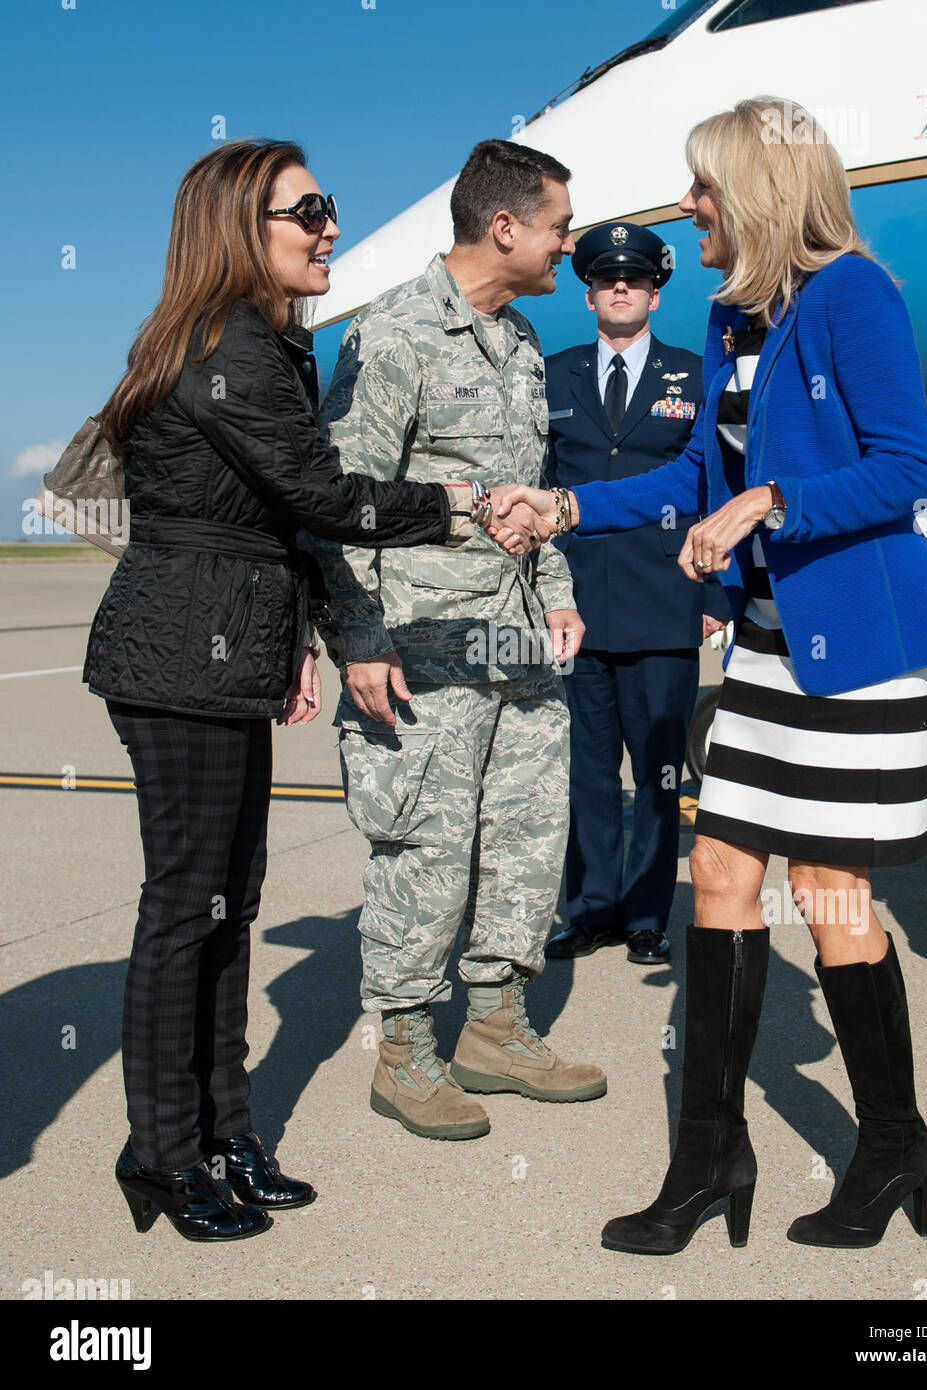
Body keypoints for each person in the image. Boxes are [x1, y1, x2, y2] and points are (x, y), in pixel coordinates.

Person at [497, 96, 927, 1251]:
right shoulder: (735, 315)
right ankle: (708, 1159)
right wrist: (565, 505)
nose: (687, 207)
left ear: (752, 186)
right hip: (758, 643)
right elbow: (693, 470)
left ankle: (893, 1138)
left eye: (700, 186)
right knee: (717, 873)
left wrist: (774, 499)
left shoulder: (852, 292)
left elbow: (905, 469)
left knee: (829, 892)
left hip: (848, 650)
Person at [85, 138, 524, 1241]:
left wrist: (297, 641)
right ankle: (160, 1150)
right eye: (308, 209)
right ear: (243, 226)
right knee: (186, 911)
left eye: (328, 206)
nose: (330, 225)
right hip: (176, 655)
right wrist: (463, 501)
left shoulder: (272, 346)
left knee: (232, 910)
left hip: (225, 650)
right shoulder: (221, 342)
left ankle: (226, 1133)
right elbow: (323, 496)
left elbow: (281, 520)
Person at [310, 138, 606, 1143]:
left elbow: (524, 497)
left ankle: (494, 1023)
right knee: (425, 849)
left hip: (514, 643)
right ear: (504, 226)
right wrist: (356, 641)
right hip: (421, 645)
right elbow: (337, 506)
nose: (568, 244)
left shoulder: (520, 343)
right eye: (560, 226)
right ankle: (402, 1047)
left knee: (524, 836)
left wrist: (556, 587)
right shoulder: (392, 334)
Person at [542, 220, 730, 967]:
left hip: (666, 600)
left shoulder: (694, 373)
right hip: (576, 606)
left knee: (656, 771)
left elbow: (717, 483)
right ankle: (588, 908)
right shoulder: (551, 377)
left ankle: (648, 914)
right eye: (607, 279)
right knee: (585, 769)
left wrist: (718, 591)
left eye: (637, 279)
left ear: (655, 292)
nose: (622, 289)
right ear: (588, 293)